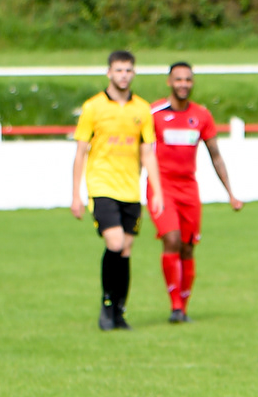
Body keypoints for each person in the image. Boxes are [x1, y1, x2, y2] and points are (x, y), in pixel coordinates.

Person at [71, 50, 163, 330]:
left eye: (128, 70)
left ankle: (120, 312)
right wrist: (76, 193)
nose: (123, 75)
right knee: (115, 243)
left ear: (134, 73)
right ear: (109, 73)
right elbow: (81, 152)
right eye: (119, 70)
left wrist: (157, 190)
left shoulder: (142, 110)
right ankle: (107, 305)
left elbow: (148, 153)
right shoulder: (93, 108)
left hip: (130, 190)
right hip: (102, 186)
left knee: (126, 251)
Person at [149, 61, 244, 322]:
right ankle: (176, 306)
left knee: (188, 248)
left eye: (188, 80)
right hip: (161, 186)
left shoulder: (201, 115)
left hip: (189, 189)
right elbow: (141, 151)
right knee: (172, 239)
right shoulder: (153, 113)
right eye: (178, 79)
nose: (183, 84)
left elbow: (216, 155)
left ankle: (184, 307)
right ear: (169, 81)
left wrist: (230, 193)